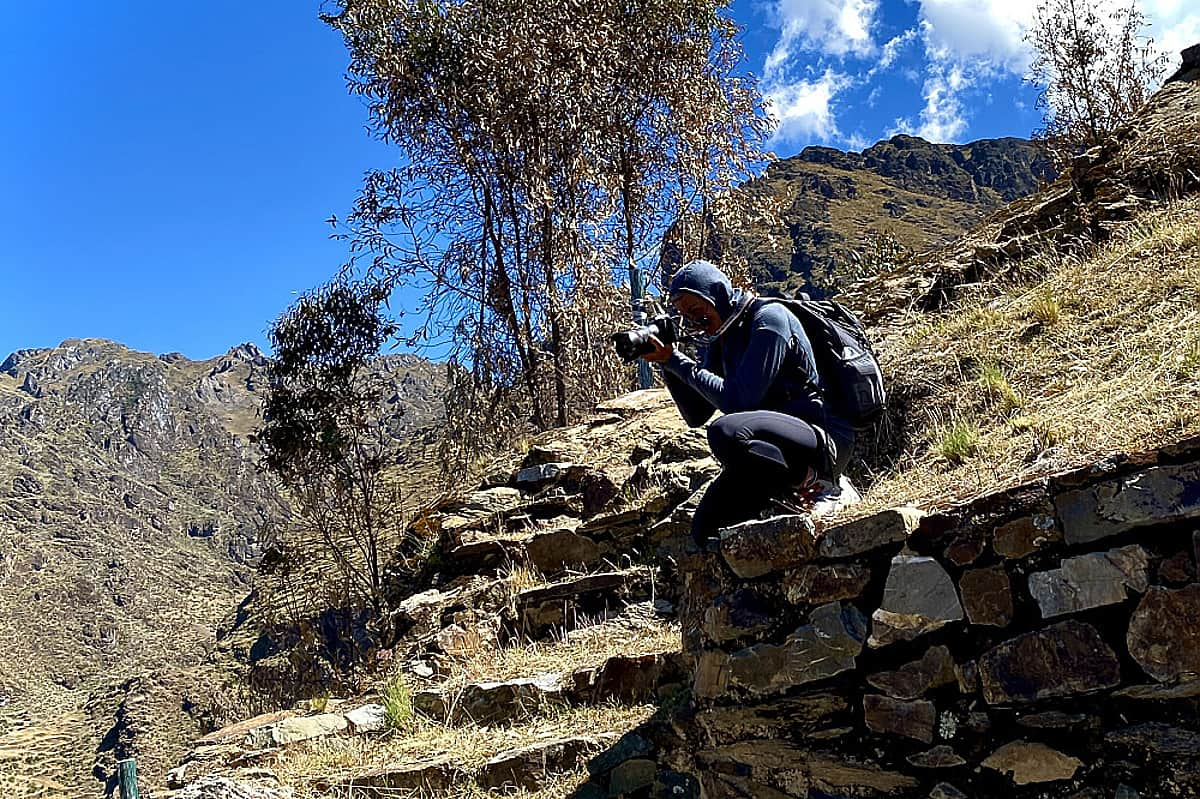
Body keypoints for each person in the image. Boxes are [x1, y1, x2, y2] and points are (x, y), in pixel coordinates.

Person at [638, 260, 858, 547]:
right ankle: (786, 499)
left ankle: (823, 486)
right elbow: (696, 414)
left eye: (697, 310)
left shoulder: (770, 319)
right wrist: (667, 364)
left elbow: (739, 401)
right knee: (705, 531)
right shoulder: (722, 338)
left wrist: (676, 361)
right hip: (773, 442)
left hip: (822, 438)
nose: (694, 321)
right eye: (686, 316)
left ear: (716, 295)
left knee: (726, 432)